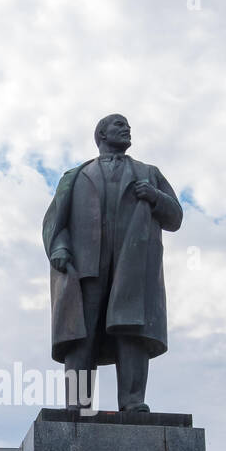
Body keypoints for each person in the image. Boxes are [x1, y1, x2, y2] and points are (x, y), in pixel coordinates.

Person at [42, 114, 183, 412]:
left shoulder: (148, 172)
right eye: (119, 125)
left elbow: (175, 218)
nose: (127, 128)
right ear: (102, 134)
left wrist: (155, 197)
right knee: (80, 334)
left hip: (131, 267)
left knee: (131, 331)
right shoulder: (76, 176)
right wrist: (60, 247)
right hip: (85, 267)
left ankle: (132, 402)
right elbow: (55, 222)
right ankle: (78, 404)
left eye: (127, 125)